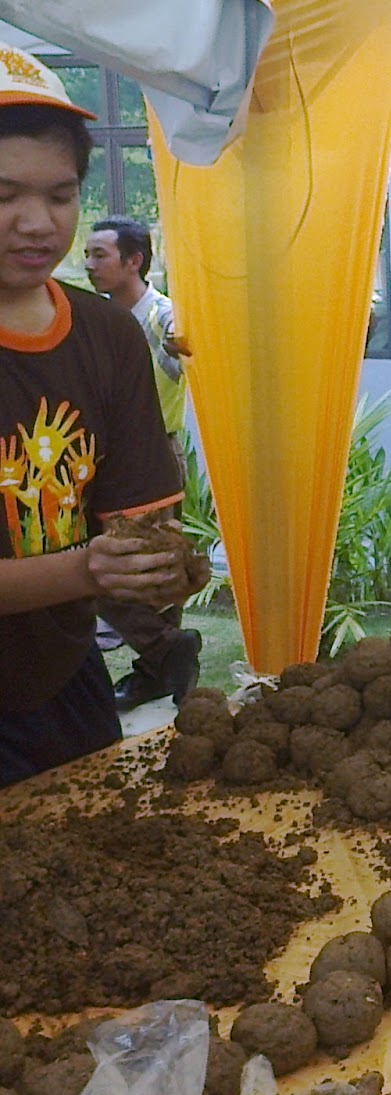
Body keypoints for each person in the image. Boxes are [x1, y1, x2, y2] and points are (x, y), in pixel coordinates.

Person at [0, 46, 202, 787]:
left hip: (66, 671)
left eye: (60, 195)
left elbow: (132, 521)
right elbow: (92, 560)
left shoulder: (107, 335)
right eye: (4, 195)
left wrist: (159, 568)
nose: (36, 223)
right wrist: (88, 566)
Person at [83, 213, 202, 710]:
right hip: (102, 460)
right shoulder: (93, 318)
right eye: (88, 255)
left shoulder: (160, 315)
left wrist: (186, 343)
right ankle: (159, 667)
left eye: (99, 255)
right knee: (145, 573)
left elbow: (189, 348)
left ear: (135, 261)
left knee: (119, 573)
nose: (89, 265)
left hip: (148, 457)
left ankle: (163, 651)